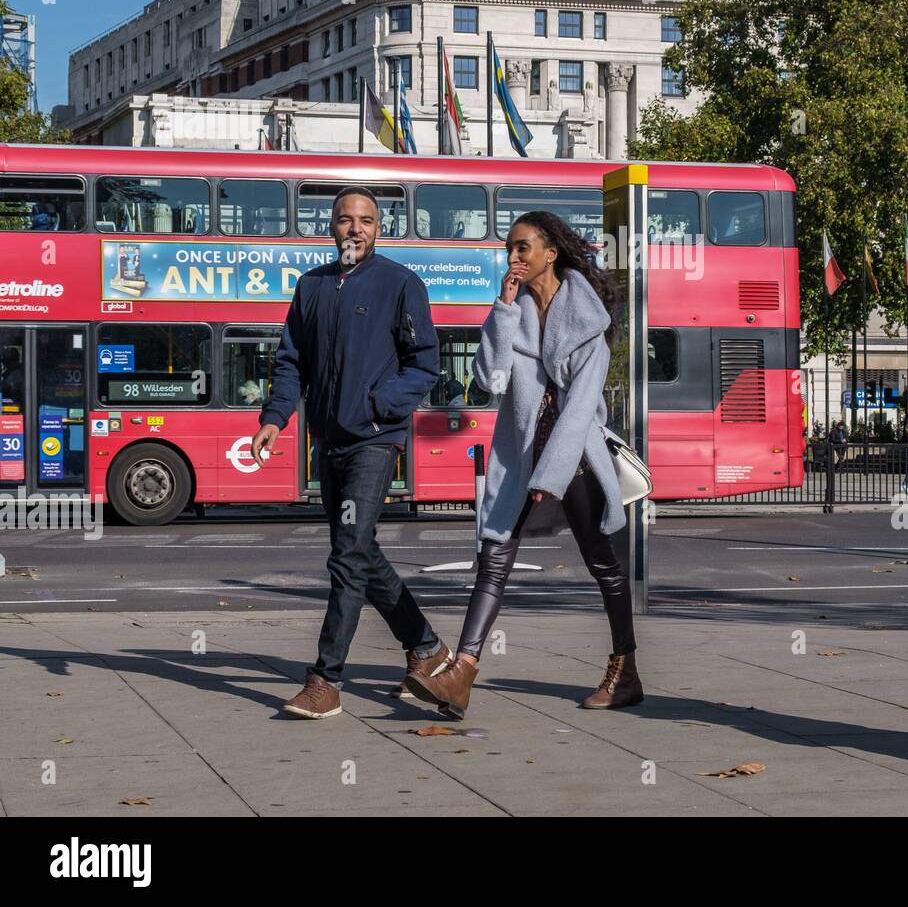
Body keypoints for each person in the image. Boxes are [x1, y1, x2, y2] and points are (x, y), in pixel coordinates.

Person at [404, 211, 640, 718]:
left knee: (604, 567)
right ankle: (463, 672)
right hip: (518, 455)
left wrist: (551, 476)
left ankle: (626, 670)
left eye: (522, 248)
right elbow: (490, 379)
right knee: (492, 560)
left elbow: (580, 409)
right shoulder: (514, 310)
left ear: (550, 253)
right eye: (509, 249)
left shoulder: (588, 321)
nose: (512, 258)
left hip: (572, 458)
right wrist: (504, 311)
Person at [253, 186, 449, 719]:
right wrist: (276, 418)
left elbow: (424, 364)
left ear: (378, 228)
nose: (354, 228)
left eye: (365, 220)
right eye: (345, 220)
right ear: (331, 227)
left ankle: (326, 679)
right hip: (328, 440)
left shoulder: (401, 284)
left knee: (345, 556)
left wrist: (380, 405)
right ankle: (427, 648)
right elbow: (290, 361)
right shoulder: (311, 287)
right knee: (358, 550)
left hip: (374, 440)